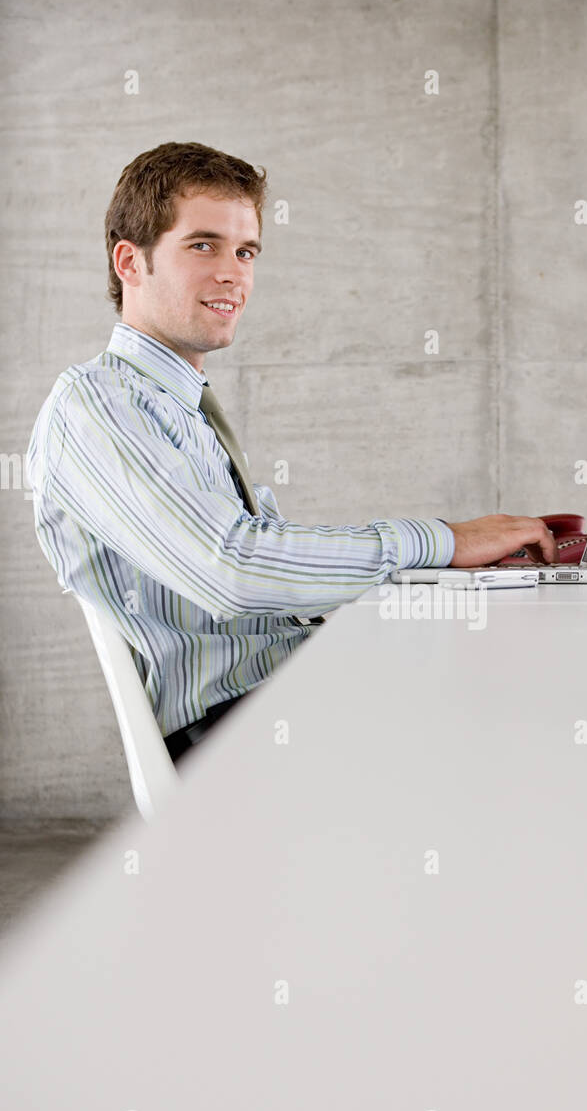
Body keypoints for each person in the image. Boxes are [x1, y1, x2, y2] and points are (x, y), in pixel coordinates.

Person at [26, 142, 557, 764]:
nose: (234, 273)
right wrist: (439, 540)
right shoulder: (98, 405)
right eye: (203, 245)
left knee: (516, 670)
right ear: (130, 261)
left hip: (288, 697)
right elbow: (234, 570)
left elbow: (271, 567)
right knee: (527, 716)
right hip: (241, 734)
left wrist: (448, 568)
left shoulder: (178, 408)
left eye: (245, 251)